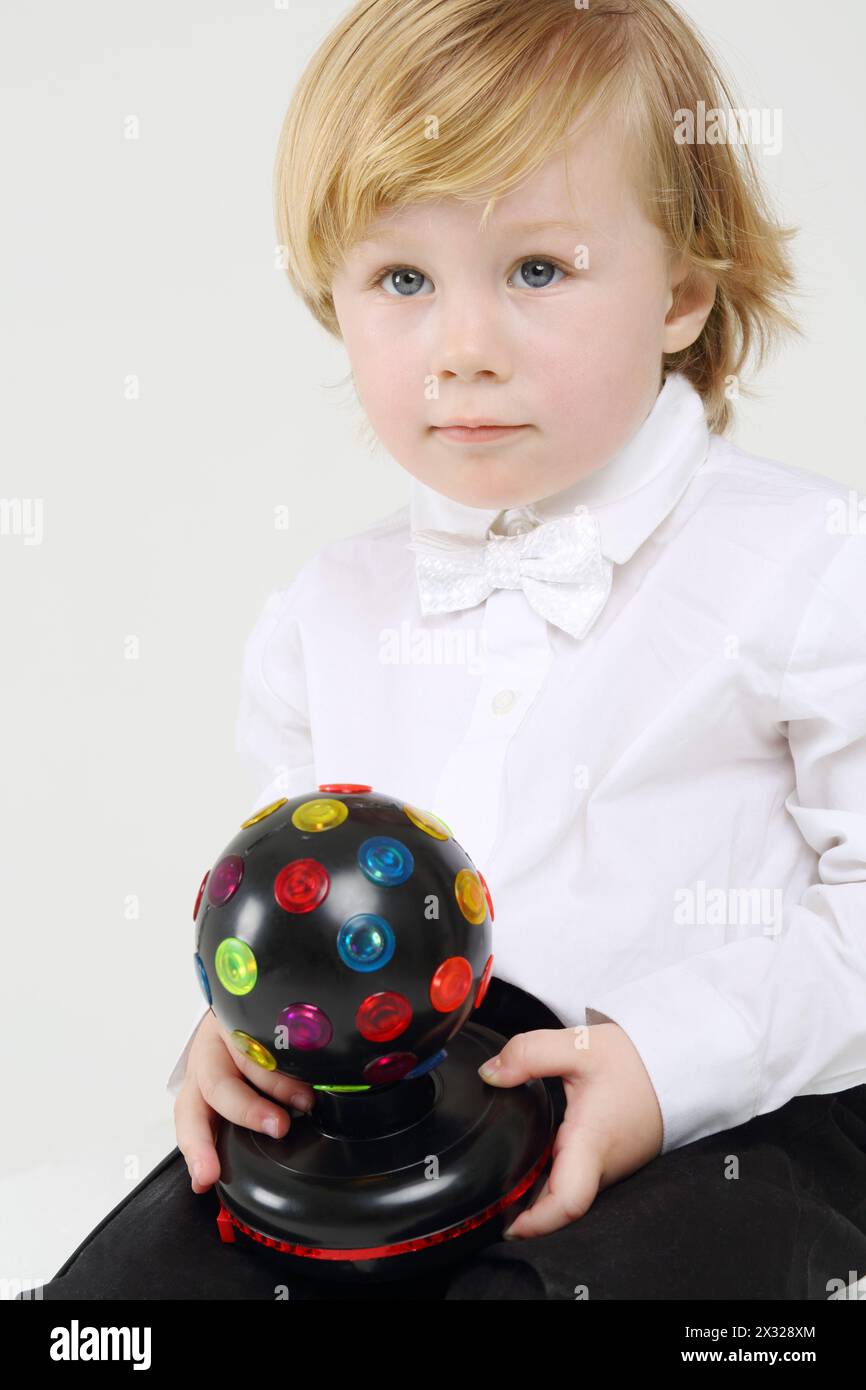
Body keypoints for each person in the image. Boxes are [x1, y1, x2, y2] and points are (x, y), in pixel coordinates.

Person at [28, 0, 866, 1300]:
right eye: (402, 281)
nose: (462, 351)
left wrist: (664, 1061)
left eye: (537, 270)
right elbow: (295, 907)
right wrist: (241, 1032)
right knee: (118, 1305)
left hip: (737, 1112)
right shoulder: (322, 615)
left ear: (681, 293)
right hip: (397, 1097)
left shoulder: (808, 564)